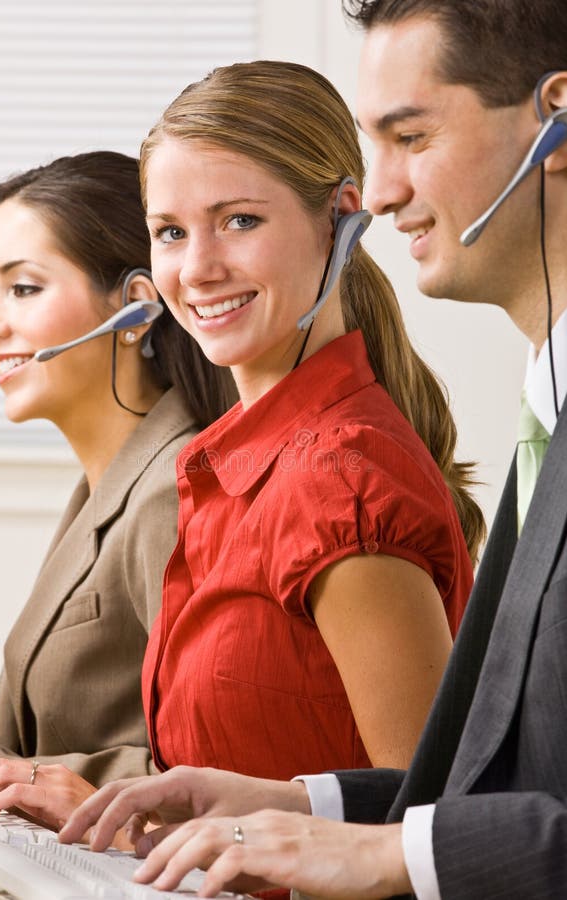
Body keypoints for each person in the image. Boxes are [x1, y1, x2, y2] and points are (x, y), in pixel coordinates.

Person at [59, 2, 567, 897]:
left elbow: (436, 814)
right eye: (170, 231)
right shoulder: (229, 463)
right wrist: (292, 804)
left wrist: (386, 852)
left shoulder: (342, 476)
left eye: (411, 136)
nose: (383, 192)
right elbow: (472, 788)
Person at [0, 151, 235, 834]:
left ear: (134, 309)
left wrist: (9, 773)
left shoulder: (173, 494)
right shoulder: (106, 484)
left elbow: (213, 770)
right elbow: (30, 745)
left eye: (22, 289)